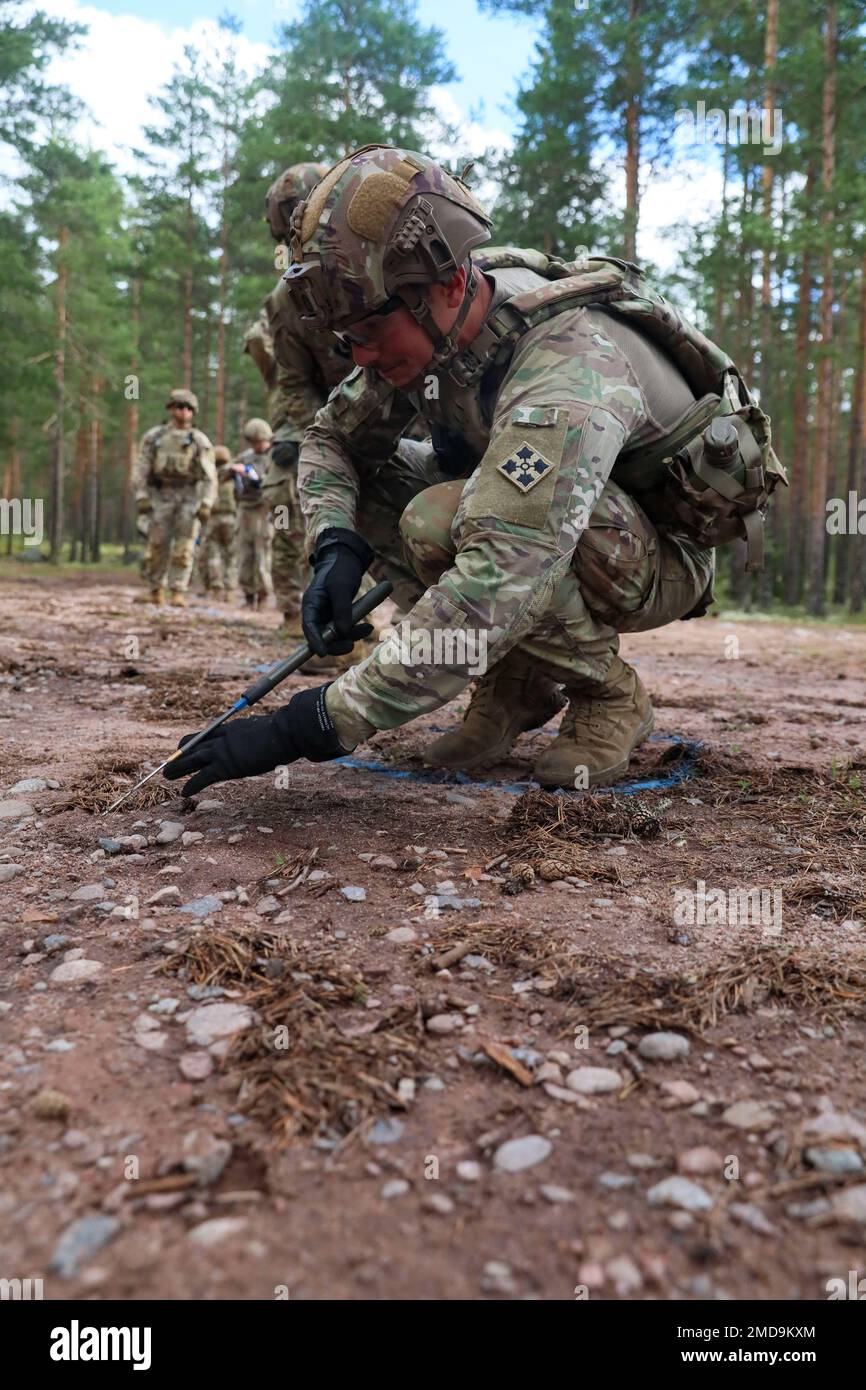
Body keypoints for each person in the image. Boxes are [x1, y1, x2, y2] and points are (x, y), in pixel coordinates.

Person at [165, 144, 784, 798]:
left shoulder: (567, 370)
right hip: (553, 533)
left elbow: (500, 577)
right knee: (396, 490)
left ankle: (608, 694)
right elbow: (328, 437)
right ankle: (514, 683)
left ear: (449, 287)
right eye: (345, 341)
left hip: (653, 556)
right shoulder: (433, 312)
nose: (362, 357)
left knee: (443, 522)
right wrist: (334, 545)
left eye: (370, 333)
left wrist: (315, 722)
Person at [244, 163, 354, 638]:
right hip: (338, 426)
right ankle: (321, 622)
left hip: (422, 419)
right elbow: (291, 382)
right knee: (325, 528)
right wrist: (331, 433)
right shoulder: (287, 300)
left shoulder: (397, 267)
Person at [134, 388, 216, 607]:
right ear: (170, 408)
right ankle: (155, 589)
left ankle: (178, 590)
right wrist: (141, 496)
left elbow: (210, 476)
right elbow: (141, 468)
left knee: (185, 546)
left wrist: (206, 503)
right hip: (160, 496)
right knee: (157, 544)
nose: (183, 411)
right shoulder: (155, 437)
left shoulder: (199, 440)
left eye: (188, 408)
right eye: (179, 406)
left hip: (188, 496)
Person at [233, 418, 273, 610]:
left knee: (263, 554)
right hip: (245, 508)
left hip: (265, 510)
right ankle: (249, 596)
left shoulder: (275, 457)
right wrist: (235, 470)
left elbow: (278, 482)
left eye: (260, 442)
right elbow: (223, 470)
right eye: (253, 442)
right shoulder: (244, 457)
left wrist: (257, 478)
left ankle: (264, 596)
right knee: (245, 554)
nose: (257, 446)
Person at [202, 444, 238, 600]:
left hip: (212, 518)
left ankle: (216, 586)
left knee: (213, 553)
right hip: (231, 518)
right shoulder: (234, 475)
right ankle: (230, 590)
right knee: (232, 555)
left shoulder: (210, 476)